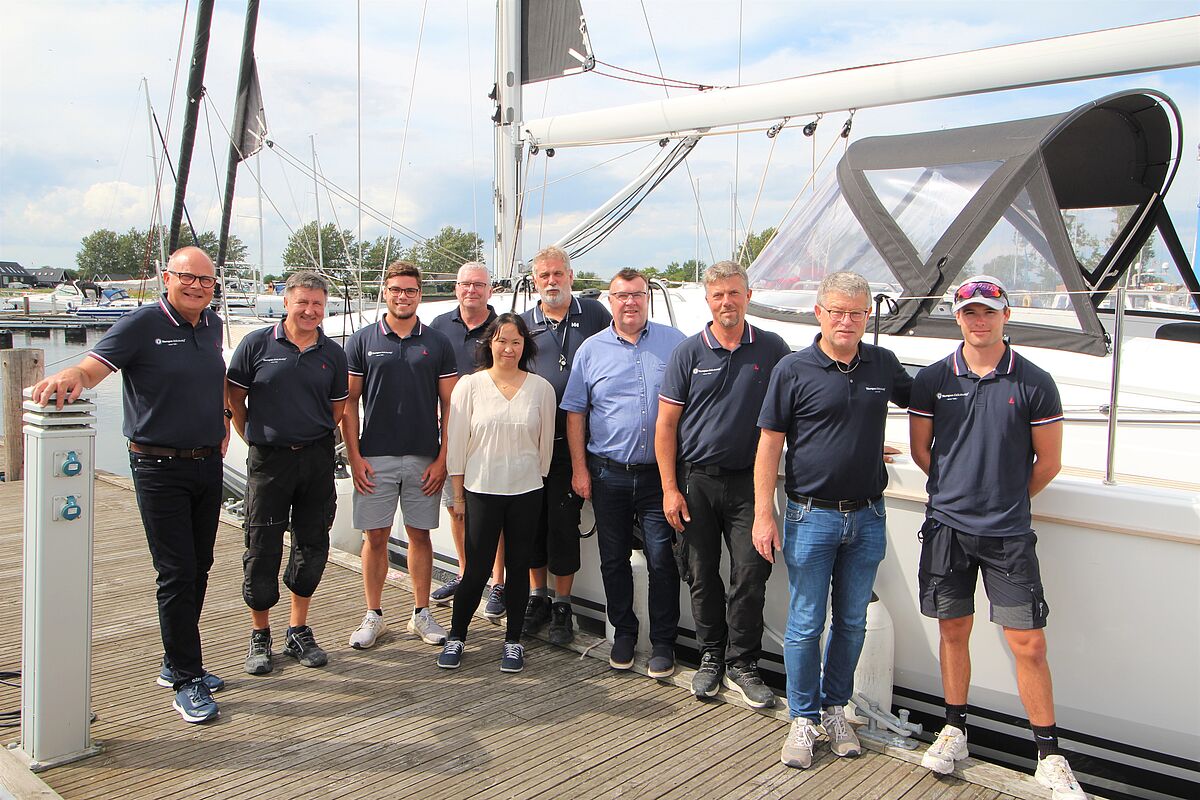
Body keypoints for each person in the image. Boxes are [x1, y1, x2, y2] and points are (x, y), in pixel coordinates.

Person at [31, 246, 228, 724]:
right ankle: (186, 679)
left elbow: (211, 381)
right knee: (176, 571)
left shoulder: (212, 324)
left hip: (207, 463)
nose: (197, 286)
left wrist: (223, 418)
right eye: (187, 277)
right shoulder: (142, 324)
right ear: (167, 277)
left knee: (200, 566)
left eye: (205, 280)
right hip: (158, 466)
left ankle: (175, 660)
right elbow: (93, 367)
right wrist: (70, 375)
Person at [909, 275, 1084, 799]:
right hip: (946, 528)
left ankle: (1049, 755)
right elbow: (922, 452)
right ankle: (954, 729)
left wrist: (1004, 498)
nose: (979, 320)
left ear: (1005, 315)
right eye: (969, 312)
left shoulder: (1034, 381)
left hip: (1008, 534)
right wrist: (957, 493)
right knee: (953, 631)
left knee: (1028, 642)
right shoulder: (932, 378)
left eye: (988, 311)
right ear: (957, 318)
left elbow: (1048, 462)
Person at [753, 271, 912, 769]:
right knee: (805, 622)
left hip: (867, 515)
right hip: (810, 515)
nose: (847, 320)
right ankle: (803, 718)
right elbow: (769, 444)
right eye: (838, 311)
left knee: (851, 621)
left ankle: (835, 709)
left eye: (857, 312)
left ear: (867, 316)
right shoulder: (793, 369)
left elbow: (929, 401)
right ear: (819, 313)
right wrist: (763, 512)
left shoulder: (882, 363)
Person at [656, 261, 790, 707]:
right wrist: (670, 488)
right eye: (718, 295)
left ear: (748, 296)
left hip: (750, 482)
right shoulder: (688, 353)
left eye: (734, 293)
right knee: (700, 573)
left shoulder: (772, 348)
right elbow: (665, 426)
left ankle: (743, 662)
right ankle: (711, 655)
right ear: (708, 300)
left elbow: (799, 407)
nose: (726, 302)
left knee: (751, 572)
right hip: (696, 481)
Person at [562, 269, 685, 675]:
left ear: (647, 298)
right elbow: (576, 413)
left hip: (658, 476)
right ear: (610, 301)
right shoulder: (591, 350)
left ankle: (664, 642)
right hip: (607, 473)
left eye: (637, 294)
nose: (630, 302)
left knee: (662, 559)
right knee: (613, 559)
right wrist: (579, 470)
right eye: (621, 295)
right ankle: (624, 633)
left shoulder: (675, 343)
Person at [226, 271, 348, 676]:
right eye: (302, 302)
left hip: (315, 459)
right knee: (261, 545)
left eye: (317, 304)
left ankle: (297, 629)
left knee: (312, 544)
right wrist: (255, 437)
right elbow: (235, 399)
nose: (310, 311)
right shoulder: (256, 344)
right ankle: (259, 633)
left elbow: (336, 409)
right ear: (286, 302)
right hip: (269, 461)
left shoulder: (333, 353)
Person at [341, 261, 458, 650]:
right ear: (385, 293)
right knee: (374, 536)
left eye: (410, 290)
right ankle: (373, 615)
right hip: (374, 457)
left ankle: (421, 613)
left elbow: (450, 406)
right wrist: (355, 457)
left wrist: (443, 459)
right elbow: (349, 403)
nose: (402, 296)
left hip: (424, 457)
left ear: (419, 294)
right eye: (395, 290)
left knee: (419, 534)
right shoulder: (362, 340)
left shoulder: (437, 343)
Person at [438, 313, 556, 672]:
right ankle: (457, 636)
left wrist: (532, 478)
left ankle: (513, 641)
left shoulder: (541, 389)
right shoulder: (470, 386)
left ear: (525, 346)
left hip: (526, 491)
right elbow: (457, 443)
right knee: (476, 570)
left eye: (516, 341)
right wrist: (458, 495)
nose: (508, 348)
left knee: (519, 568)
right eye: (502, 340)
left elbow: (545, 450)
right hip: (481, 489)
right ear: (489, 343)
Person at [520, 245, 611, 644]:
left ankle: (562, 605)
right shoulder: (523, 324)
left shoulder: (594, 315)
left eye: (558, 274)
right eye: (544, 276)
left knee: (563, 526)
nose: (552, 281)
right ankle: (536, 597)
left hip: (576, 446)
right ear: (535, 282)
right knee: (530, 525)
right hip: (531, 445)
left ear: (571, 276)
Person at [428, 262, 507, 619]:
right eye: (465, 284)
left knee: (496, 512)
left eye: (478, 284)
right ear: (456, 288)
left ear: (490, 290)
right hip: (452, 432)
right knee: (456, 507)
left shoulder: (503, 327)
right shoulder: (439, 327)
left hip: (493, 434)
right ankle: (464, 573)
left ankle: (498, 582)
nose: (471, 290)